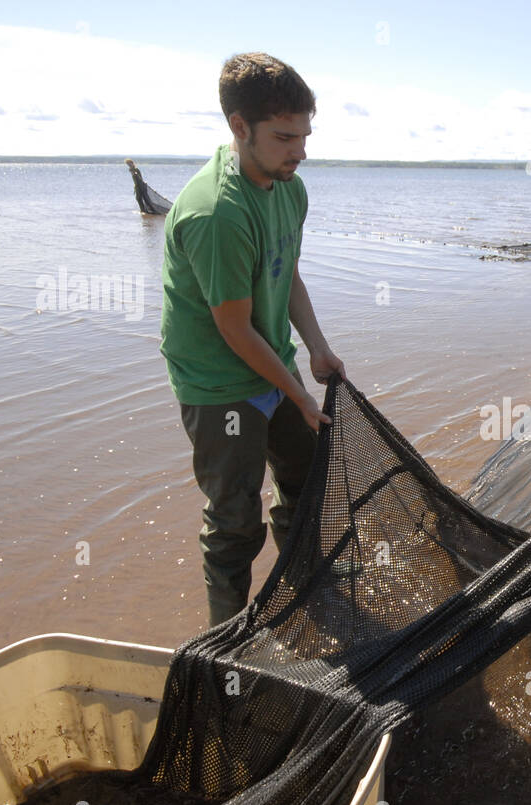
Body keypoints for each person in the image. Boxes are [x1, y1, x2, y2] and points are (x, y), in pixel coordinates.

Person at [160, 52, 346, 627]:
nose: (302, 151)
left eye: (306, 135)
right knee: (235, 520)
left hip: (277, 365)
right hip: (220, 385)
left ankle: (303, 589)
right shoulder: (216, 212)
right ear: (239, 128)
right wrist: (297, 394)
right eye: (285, 136)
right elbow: (235, 331)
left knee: (304, 480)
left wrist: (315, 345)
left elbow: (285, 270)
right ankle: (226, 638)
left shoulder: (290, 188)